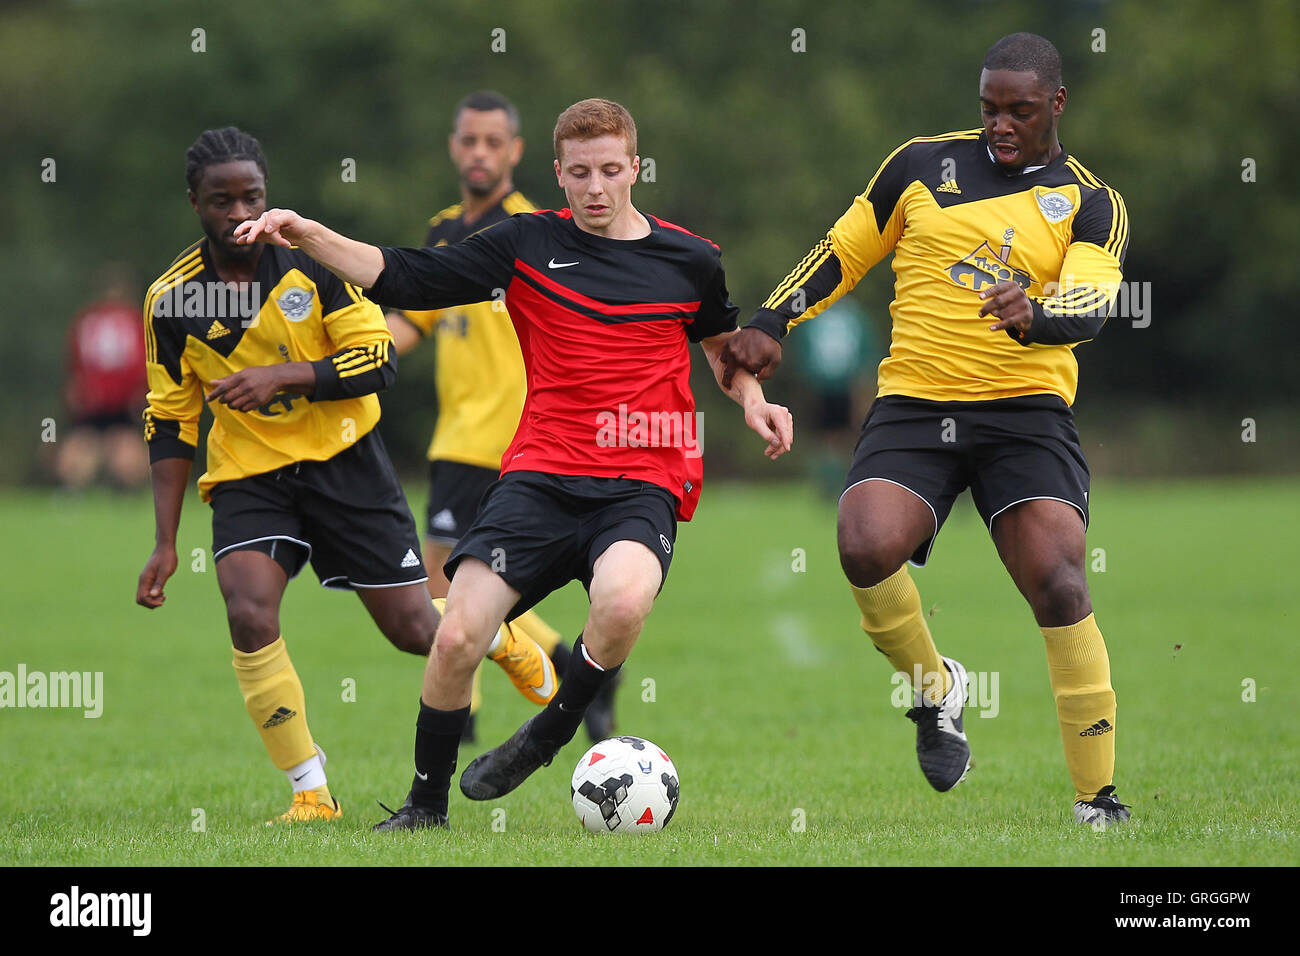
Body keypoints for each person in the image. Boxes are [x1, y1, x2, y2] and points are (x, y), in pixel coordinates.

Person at [236, 98, 794, 831]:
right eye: (581, 174)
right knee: (459, 632)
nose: (597, 188)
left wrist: (752, 400)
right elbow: (404, 277)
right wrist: (308, 234)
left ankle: (549, 732)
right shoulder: (525, 244)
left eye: (611, 171)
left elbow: (722, 348)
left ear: (635, 169)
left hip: (642, 479)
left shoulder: (691, 259)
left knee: (623, 601)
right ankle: (424, 808)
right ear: (558, 173)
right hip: (540, 476)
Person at [721, 33, 1131, 826]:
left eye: (1018, 111)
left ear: (1057, 104)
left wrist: (1037, 315)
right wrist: (775, 320)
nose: (1000, 126)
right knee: (862, 540)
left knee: (1059, 579)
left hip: (1026, 413)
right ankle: (936, 691)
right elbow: (844, 247)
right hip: (916, 405)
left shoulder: (1091, 201)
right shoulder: (918, 165)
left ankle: (1097, 797)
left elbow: (1094, 301)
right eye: (988, 109)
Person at [136, 126, 554, 825]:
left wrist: (286, 376)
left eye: (253, 197)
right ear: (194, 203)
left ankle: (503, 636)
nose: (240, 215)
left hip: (346, 464)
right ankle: (310, 791)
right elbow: (170, 420)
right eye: (221, 201)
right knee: (246, 610)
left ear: (268, 196)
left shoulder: (314, 267)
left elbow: (380, 358)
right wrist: (165, 542)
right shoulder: (171, 300)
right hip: (250, 476)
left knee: (414, 630)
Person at [385, 91, 619, 744]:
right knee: (451, 578)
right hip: (455, 432)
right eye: (469, 140)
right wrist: (344, 356)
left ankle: (479, 705)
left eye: (494, 141)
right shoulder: (442, 229)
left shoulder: (535, 230)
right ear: (454, 147)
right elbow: (411, 321)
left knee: (451, 580)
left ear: (516, 152)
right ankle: (551, 672)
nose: (479, 152)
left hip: (509, 435)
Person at [54, 266, 150, 490]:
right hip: (95, 406)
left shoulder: (133, 322)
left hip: (120, 407)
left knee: (128, 458)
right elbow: (74, 365)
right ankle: (73, 494)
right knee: (76, 456)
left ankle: (124, 493)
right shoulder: (89, 322)